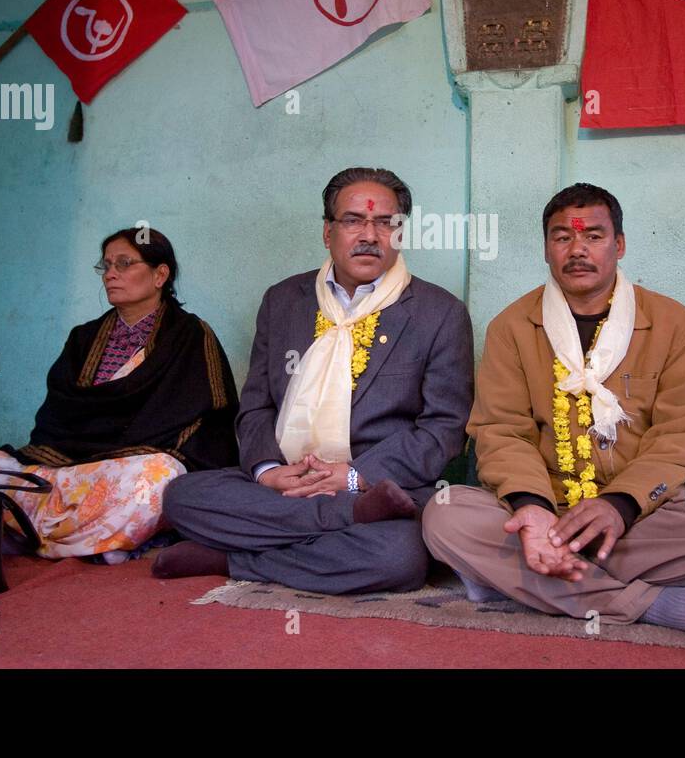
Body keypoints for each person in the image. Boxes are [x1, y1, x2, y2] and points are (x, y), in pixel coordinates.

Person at [422, 184, 685, 645]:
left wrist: (619, 505)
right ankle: (652, 604)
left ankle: (524, 580)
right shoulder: (512, 327)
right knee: (444, 515)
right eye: (562, 237)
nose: (577, 250)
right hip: (545, 511)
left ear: (619, 245)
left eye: (594, 237)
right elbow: (501, 432)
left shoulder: (671, 322)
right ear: (546, 248)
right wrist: (534, 511)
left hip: (643, 516)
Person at [154, 167, 474, 593]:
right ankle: (343, 523)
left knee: (399, 556)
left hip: (376, 484)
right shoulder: (284, 301)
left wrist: (355, 477)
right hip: (288, 480)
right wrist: (268, 471)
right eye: (353, 220)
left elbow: (443, 430)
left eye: (385, 222)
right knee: (182, 496)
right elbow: (257, 406)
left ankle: (232, 558)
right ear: (328, 232)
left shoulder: (439, 313)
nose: (369, 235)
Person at [0, 226, 239, 564]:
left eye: (125, 263)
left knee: (159, 477)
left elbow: (209, 419)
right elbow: (57, 415)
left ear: (160, 274)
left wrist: (122, 456)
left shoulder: (189, 335)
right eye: (106, 265)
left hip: (127, 470)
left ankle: (32, 535)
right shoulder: (83, 338)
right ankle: (88, 542)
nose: (111, 274)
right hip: (67, 468)